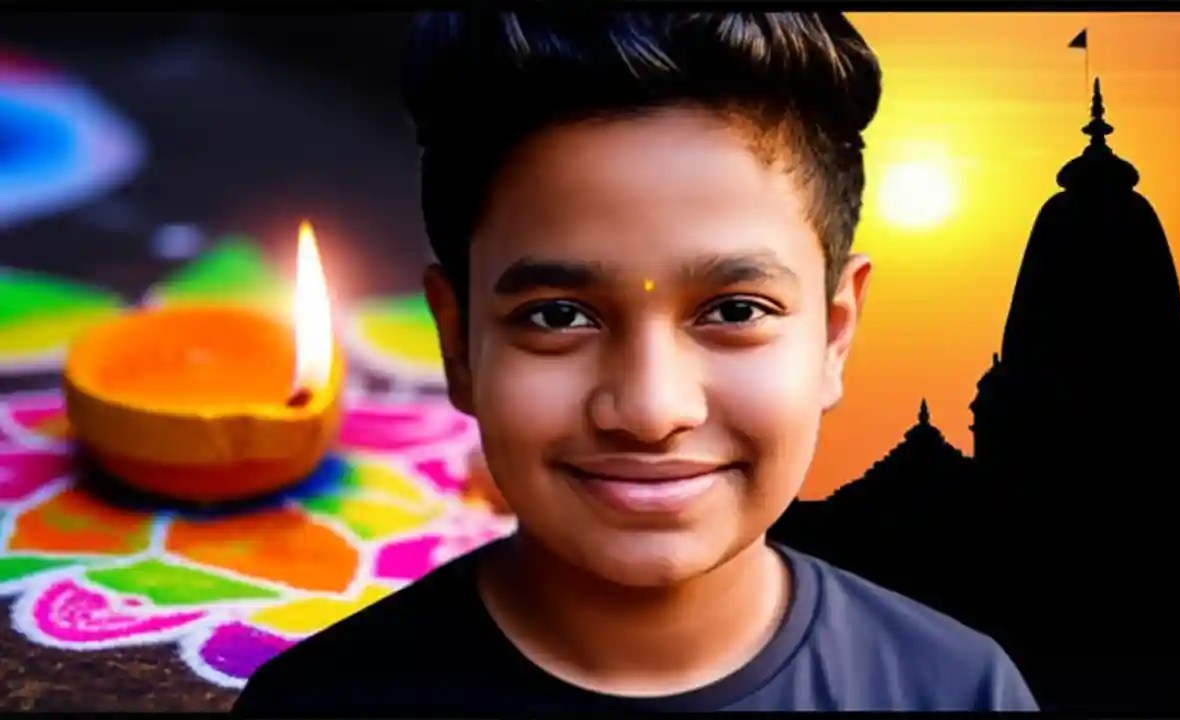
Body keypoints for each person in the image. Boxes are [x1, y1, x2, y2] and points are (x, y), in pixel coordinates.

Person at [232, 11, 1039, 714]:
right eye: (559, 316)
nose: (652, 410)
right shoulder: (321, 702)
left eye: (734, 311)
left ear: (834, 336)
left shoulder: (955, 690)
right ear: (457, 343)